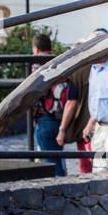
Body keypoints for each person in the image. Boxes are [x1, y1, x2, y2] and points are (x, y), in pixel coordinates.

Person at [30, 32, 76, 176]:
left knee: (50, 163)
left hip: (44, 119)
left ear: (36, 49)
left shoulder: (36, 66)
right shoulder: (58, 62)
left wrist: (33, 117)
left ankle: (59, 190)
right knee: (57, 158)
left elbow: (34, 95)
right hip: (59, 117)